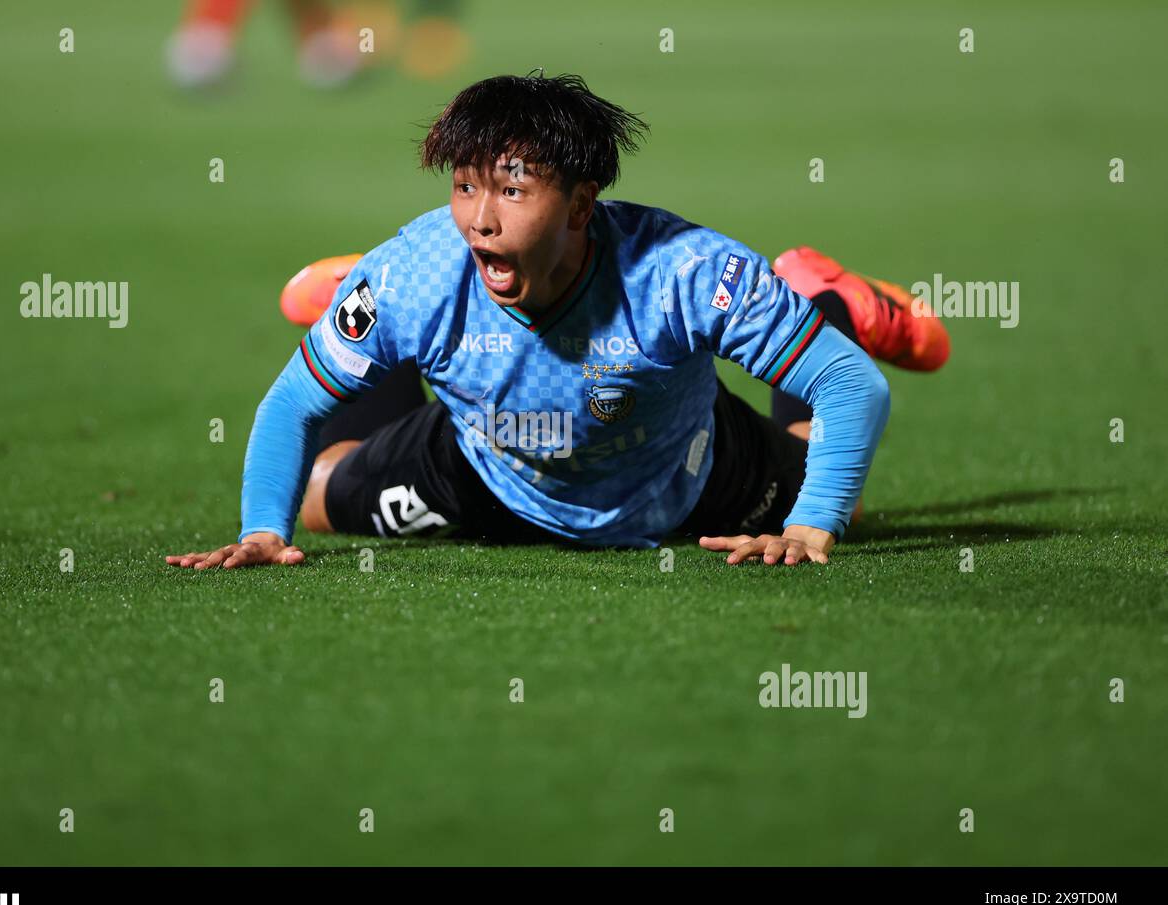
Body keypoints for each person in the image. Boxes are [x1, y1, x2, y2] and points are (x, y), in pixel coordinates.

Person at [167, 73, 949, 571]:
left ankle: (825, 300)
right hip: (489, 467)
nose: (478, 219)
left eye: (510, 192)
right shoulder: (424, 267)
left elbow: (853, 388)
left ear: (580, 204)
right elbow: (292, 405)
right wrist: (263, 529)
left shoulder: (685, 272)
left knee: (832, 481)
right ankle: (361, 310)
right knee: (312, 498)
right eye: (465, 188)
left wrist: (813, 526)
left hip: (688, 468)